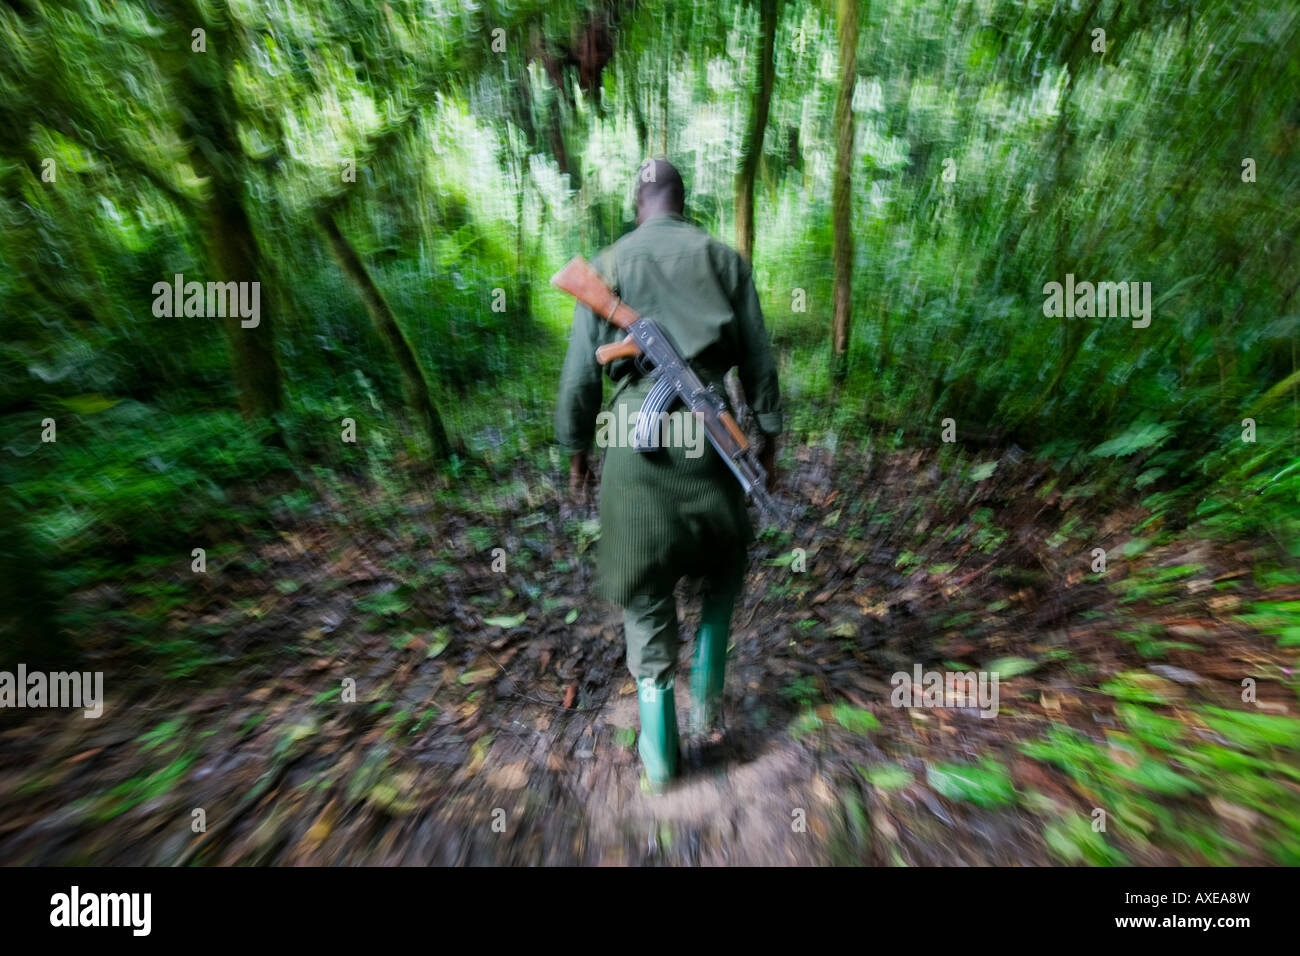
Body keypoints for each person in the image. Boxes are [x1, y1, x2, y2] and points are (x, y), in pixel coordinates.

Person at [555, 159, 782, 792]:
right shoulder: (724, 259)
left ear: (639, 204)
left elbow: (580, 374)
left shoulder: (614, 260)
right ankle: (707, 702)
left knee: (645, 587)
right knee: (724, 566)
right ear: (683, 202)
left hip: (636, 450)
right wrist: (768, 436)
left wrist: (577, 446)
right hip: (714, 448)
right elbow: (760, 358)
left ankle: (661, 760)